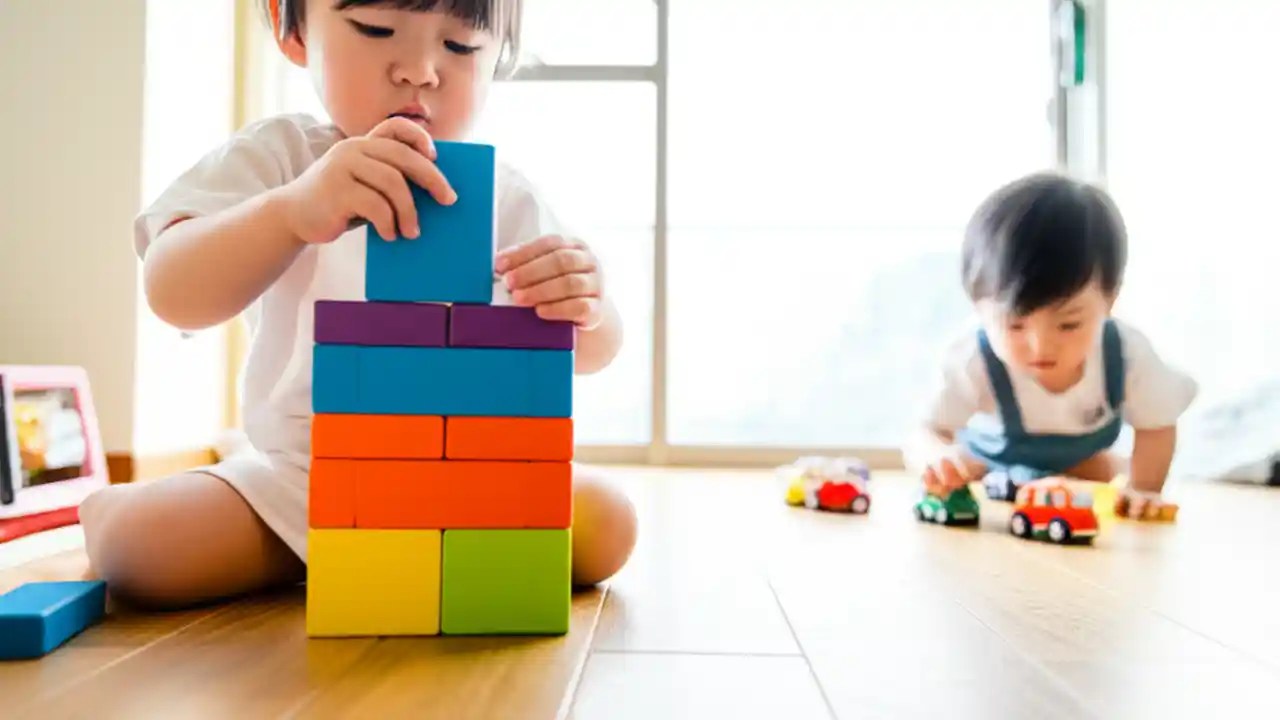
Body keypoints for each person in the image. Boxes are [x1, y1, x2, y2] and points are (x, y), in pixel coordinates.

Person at [79, 0, 637, 607]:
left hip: (468, 480)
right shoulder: (281, 159)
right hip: (305, 477)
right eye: (375, 29)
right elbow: (173, 292)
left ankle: (385, 560)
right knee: (141, 549)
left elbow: (594, 350)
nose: (422, 71)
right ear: (293, 30)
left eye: (461, 46)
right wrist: (290, 211)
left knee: (611, 524)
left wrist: (589, 305)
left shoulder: (504, 196)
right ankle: (112, 509)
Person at [906, 171, 1197, 519]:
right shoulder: (973, 359)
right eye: (1015, 325)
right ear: (978, 307)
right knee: (965, 470)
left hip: (1080, 466)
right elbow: (925, 431)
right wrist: (936, 458)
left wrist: (1145, 490)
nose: (1040, 346)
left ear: (1111, 298)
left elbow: (1157, 425)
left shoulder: (1127, 353)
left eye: (1069, 324)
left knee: (1104, 471)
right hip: (990, 466)